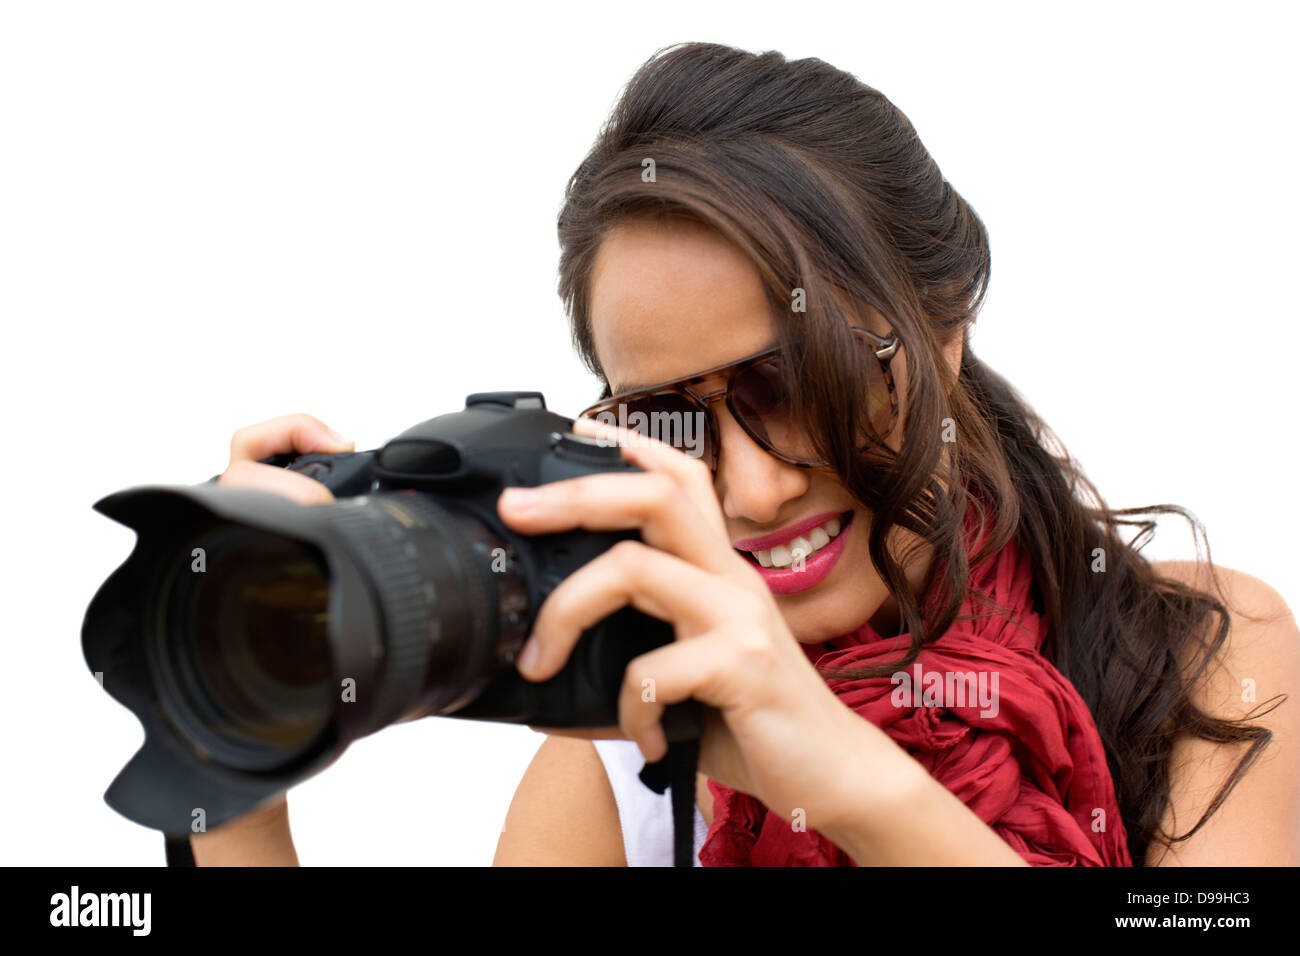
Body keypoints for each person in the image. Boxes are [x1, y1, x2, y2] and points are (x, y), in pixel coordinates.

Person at [192, 42, 1299, 867]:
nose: (757, 487)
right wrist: (236, 764)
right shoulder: (624, 761)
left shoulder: (1203, 655)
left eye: (802, 387)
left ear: (942, 334)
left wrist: (829, 768)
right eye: (671, 419)